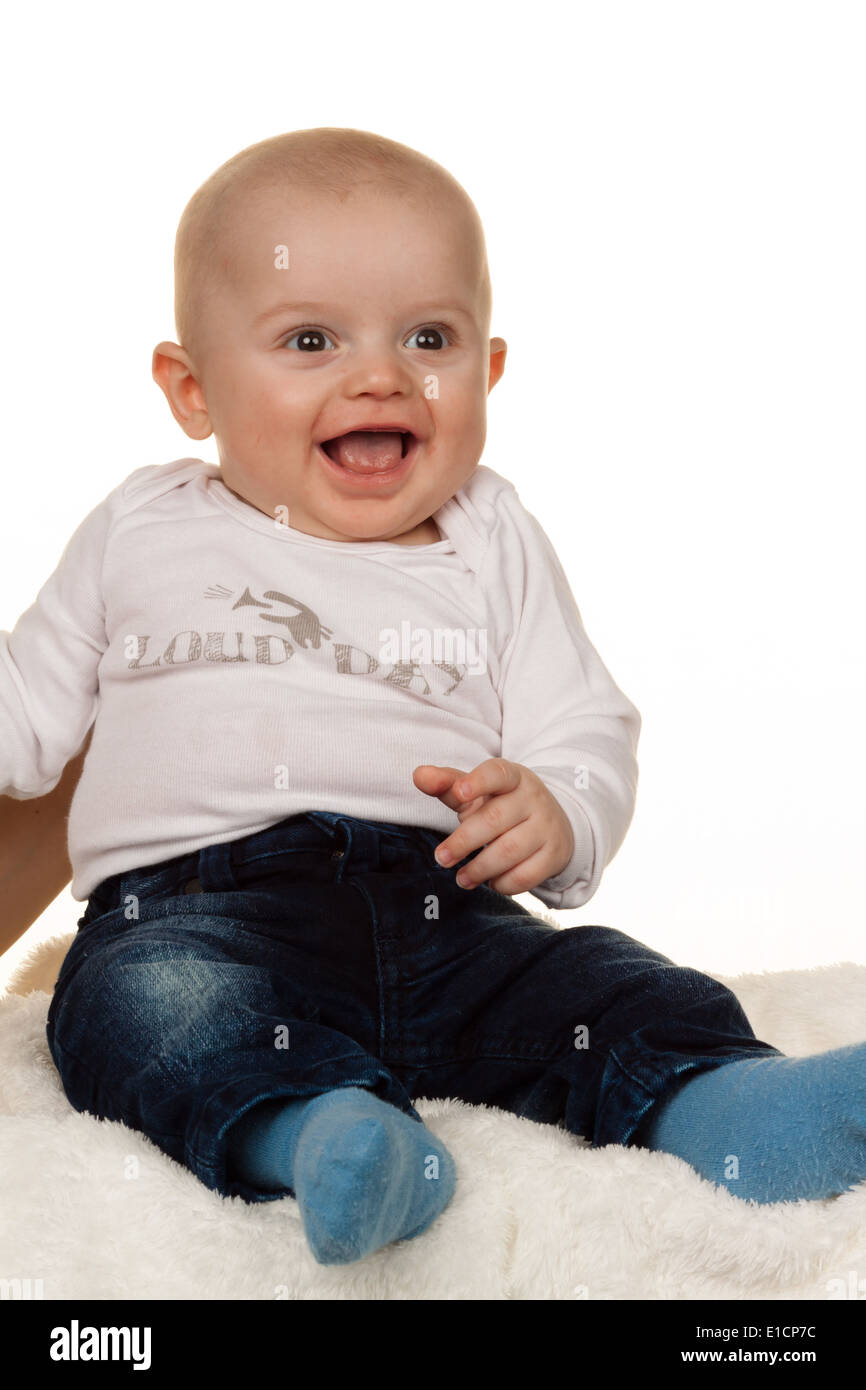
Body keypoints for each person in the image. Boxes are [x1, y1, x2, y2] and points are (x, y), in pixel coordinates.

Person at [2, 128, 864, 1267]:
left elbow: (582, 725)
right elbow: (27, 717)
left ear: (489, 371)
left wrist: (555, 809)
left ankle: (736, 1113)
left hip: (446, 912)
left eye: (428, 337)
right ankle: (319, 1136)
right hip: (196, 914)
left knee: (605, 983)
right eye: (309, 339)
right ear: (191, 389)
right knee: (146, 1015)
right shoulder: (140, 528)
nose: (379, 374)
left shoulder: (488, 535)